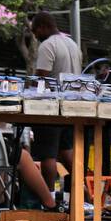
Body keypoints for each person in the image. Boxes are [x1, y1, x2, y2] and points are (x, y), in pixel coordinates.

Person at [28, 12, 82, 192]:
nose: (35, 36)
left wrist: (28, 89)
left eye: (35, 31)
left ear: (43, 27)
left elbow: (41, 77)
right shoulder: (72, 43)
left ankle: (48, 200)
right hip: (71, 106)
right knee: (66, 150)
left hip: (51, 106)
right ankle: (81, 193)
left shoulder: (47, 45)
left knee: (47, 155)